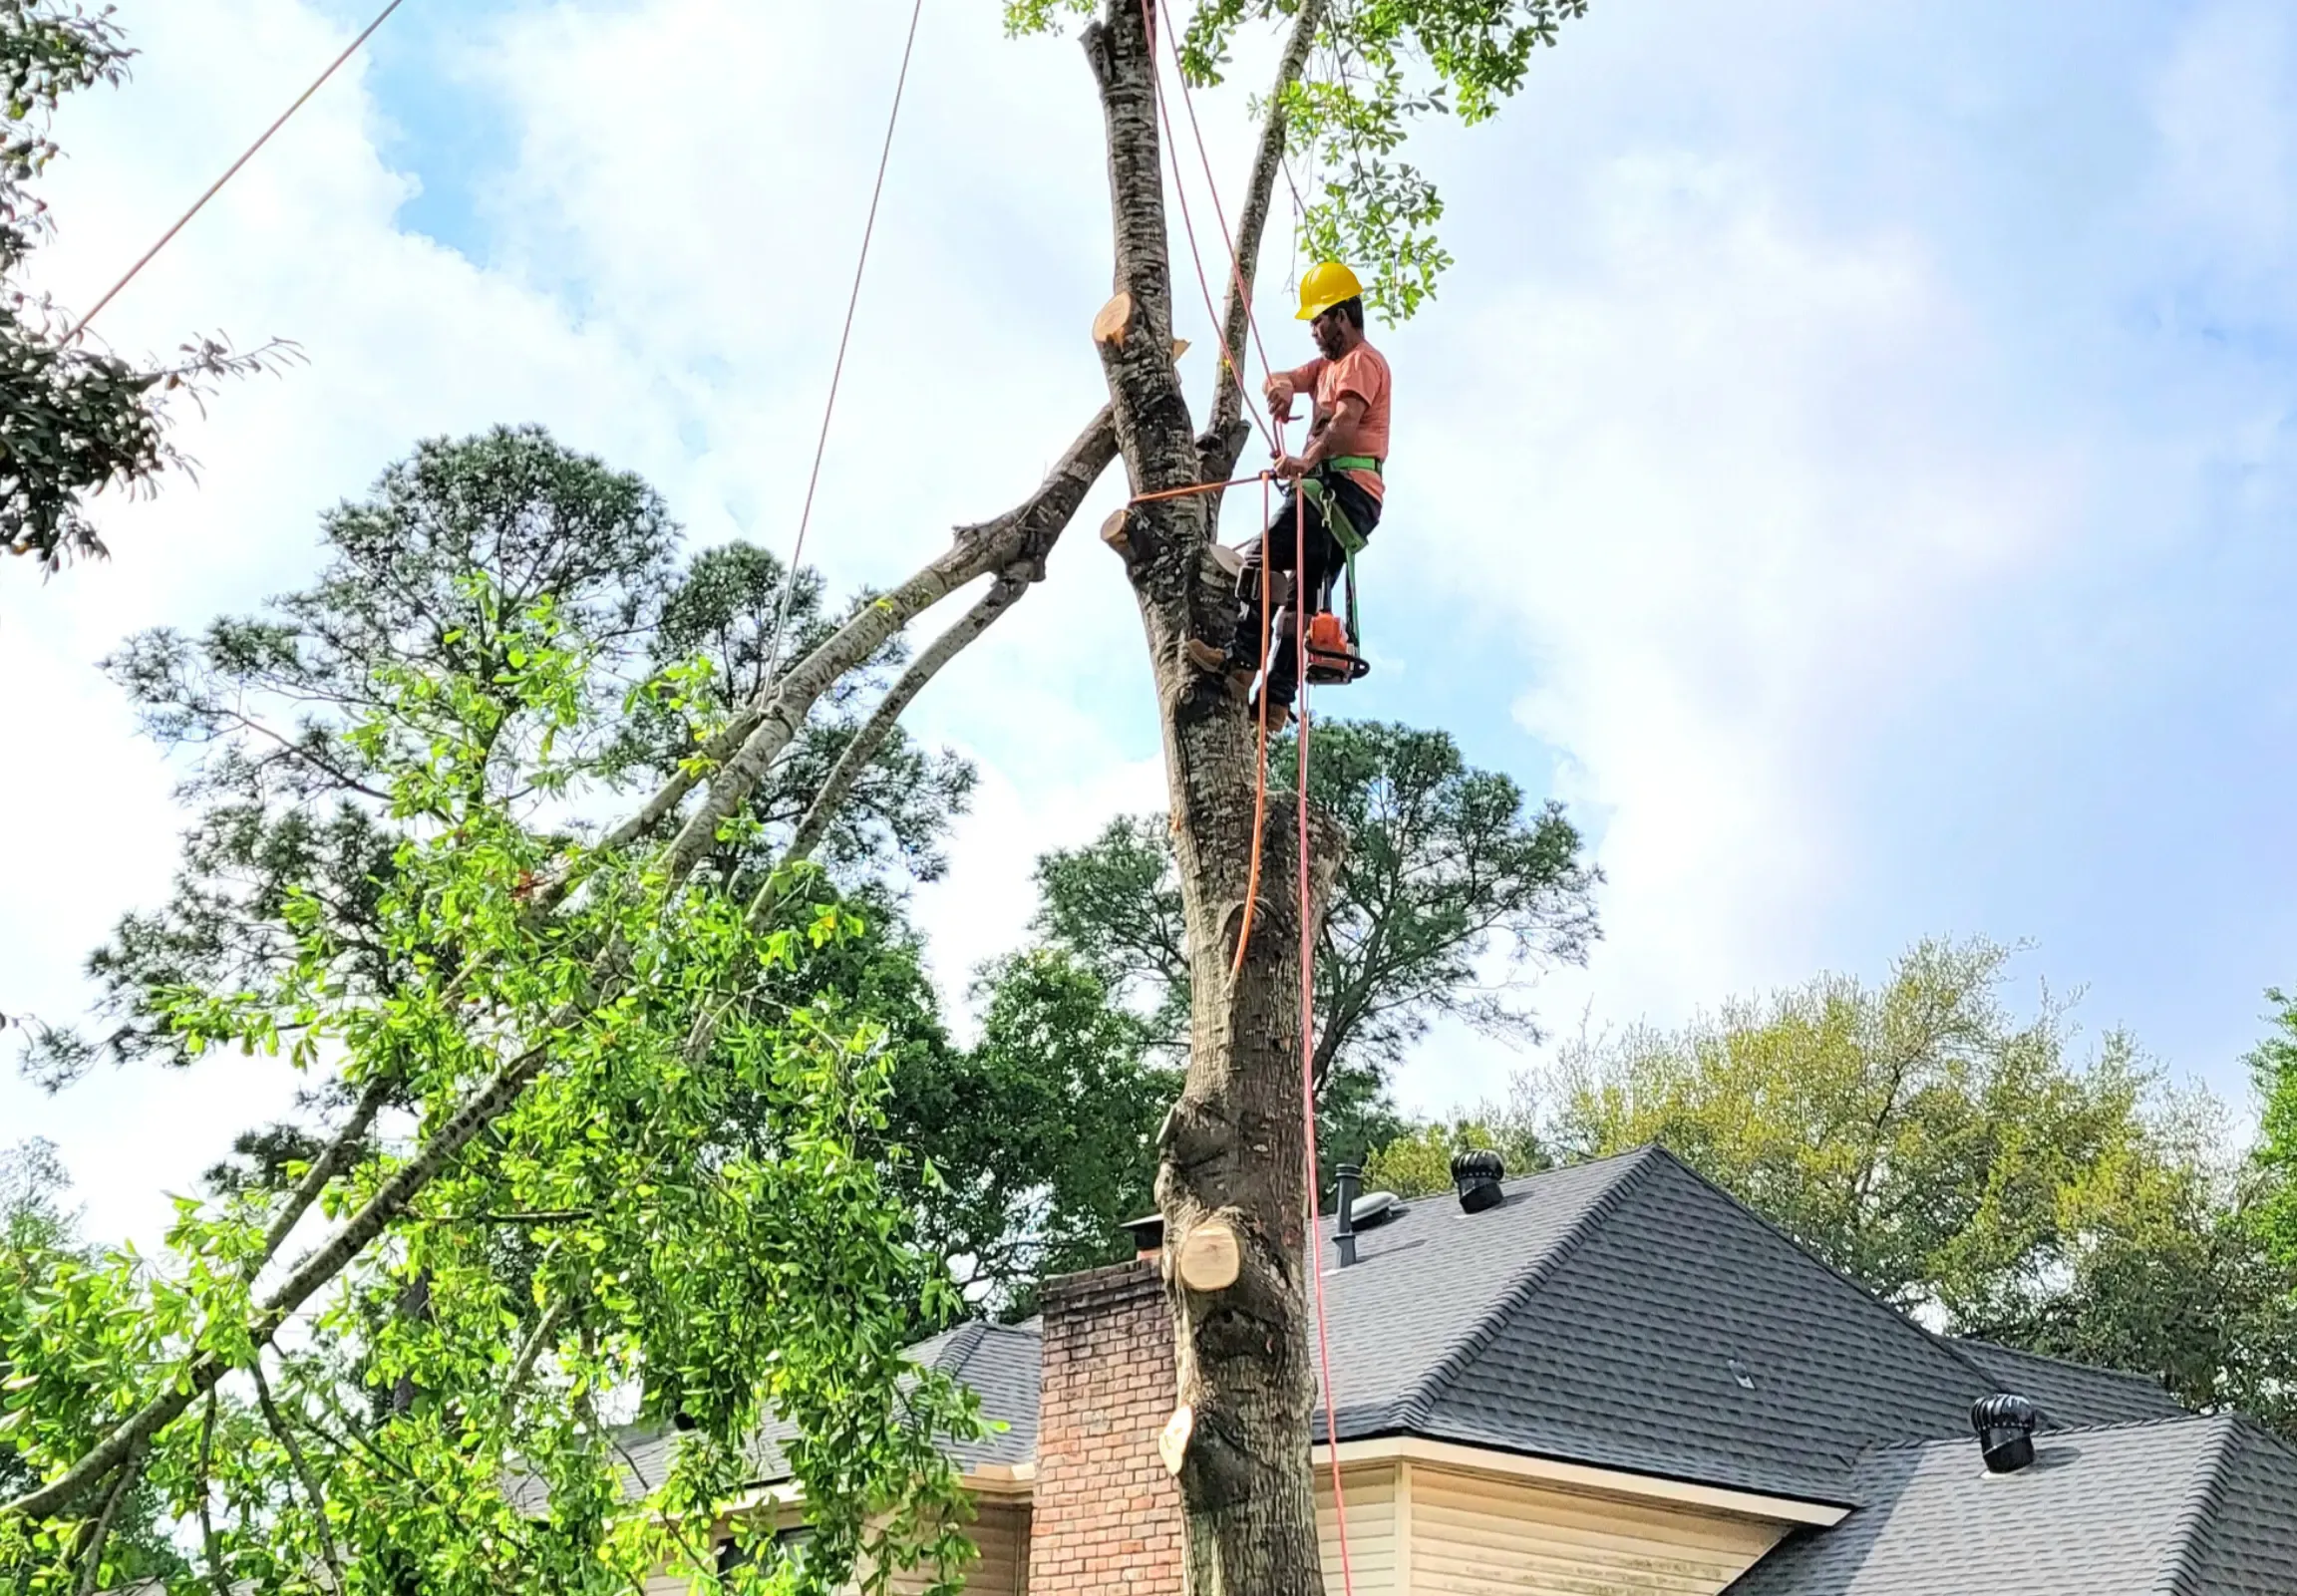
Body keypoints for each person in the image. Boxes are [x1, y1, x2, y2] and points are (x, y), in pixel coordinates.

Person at [1189, 260, 1391, 727]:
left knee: (1263, 558)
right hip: (1348, 499)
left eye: (1319, 320)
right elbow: (1282, 376)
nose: (1314, 330)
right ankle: (1275, 702)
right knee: (1302, 596)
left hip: (1340, 491)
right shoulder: (1326, 366)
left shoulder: (1360, 362)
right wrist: (1280, 388)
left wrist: (1306, 460)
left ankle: (1240, 662)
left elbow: (1344, 425)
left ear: (1343, 314)